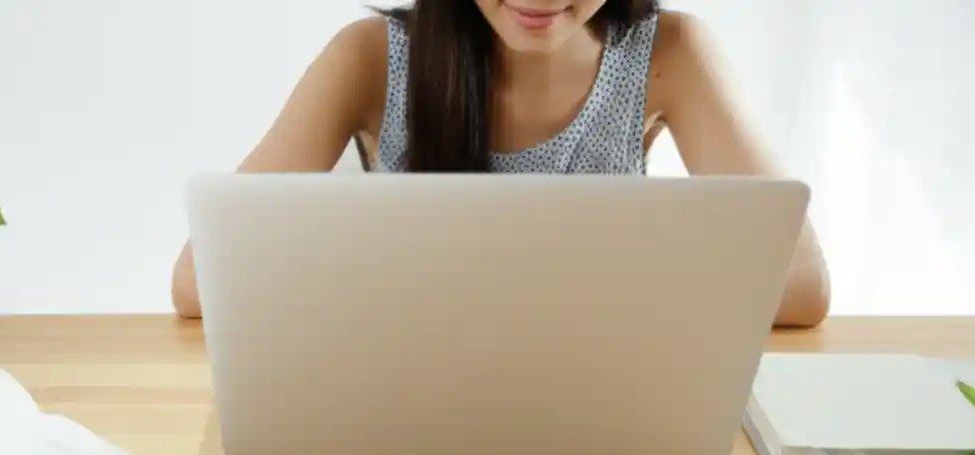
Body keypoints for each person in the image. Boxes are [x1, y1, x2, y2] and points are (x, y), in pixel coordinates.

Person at [171, 0, 831, 327]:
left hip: (589, 412)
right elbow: (200, 279)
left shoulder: (669, 53)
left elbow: (800, 282)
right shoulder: (370, 56)